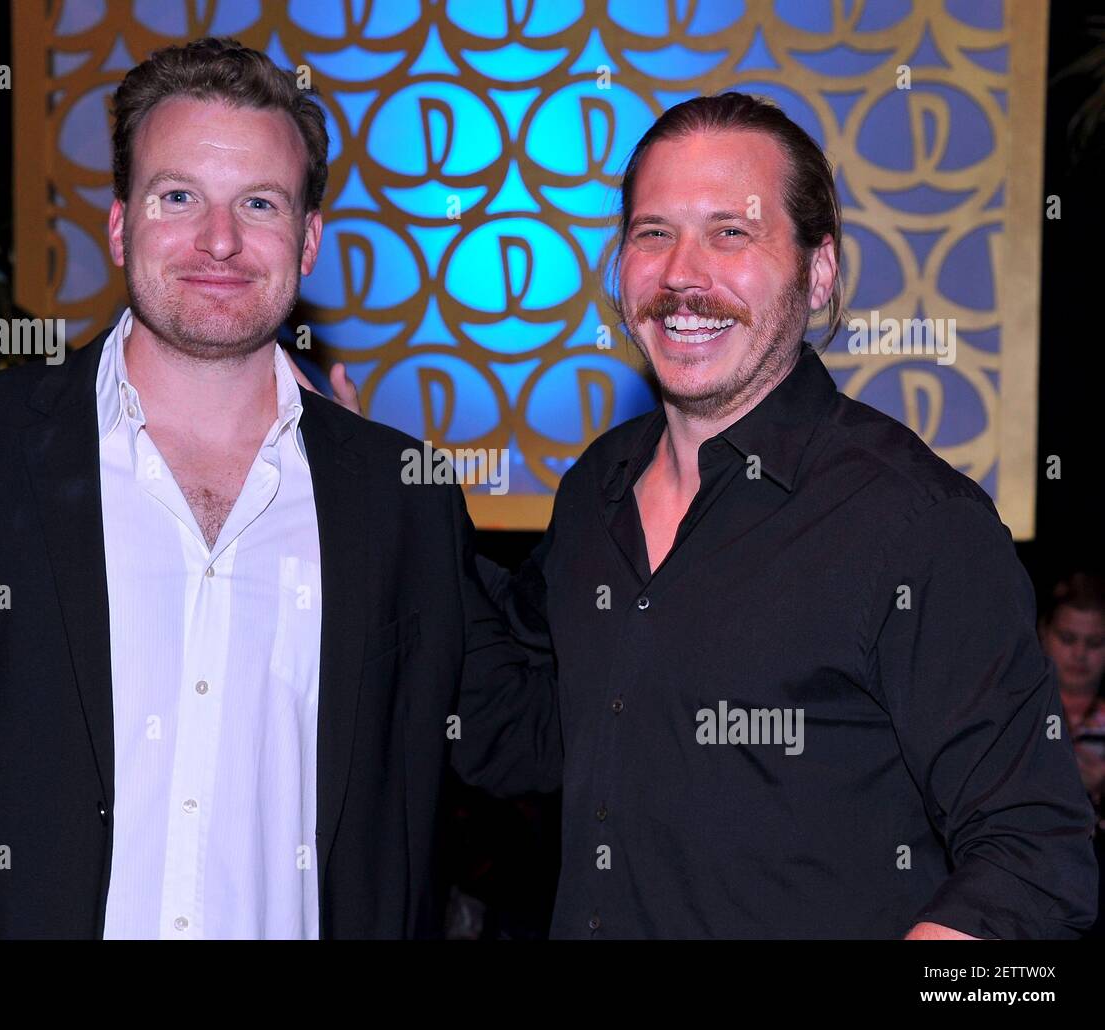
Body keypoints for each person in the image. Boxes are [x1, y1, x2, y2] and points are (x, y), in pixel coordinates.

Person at [0, 37, 558, 940]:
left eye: (259, 204)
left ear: (309, 241)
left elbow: (521, 731)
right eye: (178, 198)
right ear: (121, 224)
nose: (219, 242)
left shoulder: (398, 496)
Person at [324, 92, 1099, 938]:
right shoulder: (599, 491)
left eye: (732, 232)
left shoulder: (916, 525)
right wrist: (375, 482)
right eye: (654, 232)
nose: (683, 274)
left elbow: (1036, 861)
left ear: (820, 272)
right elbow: (519, 727)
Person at [1039, 572, 1105, 935]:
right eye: (1067, 639)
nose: (1080, 654)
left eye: (1095, 642)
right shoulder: (1015, 714)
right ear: (1042, 633)